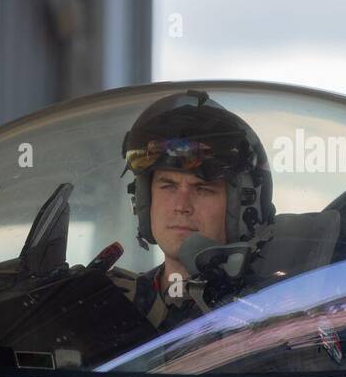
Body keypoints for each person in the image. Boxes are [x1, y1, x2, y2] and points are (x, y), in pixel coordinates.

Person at [109, 90, 275, 333]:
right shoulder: (113, 304)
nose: (181, 206)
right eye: (168, 186)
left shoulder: (272, 310)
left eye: (203, 189)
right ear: (144, 199)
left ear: (242, 207)